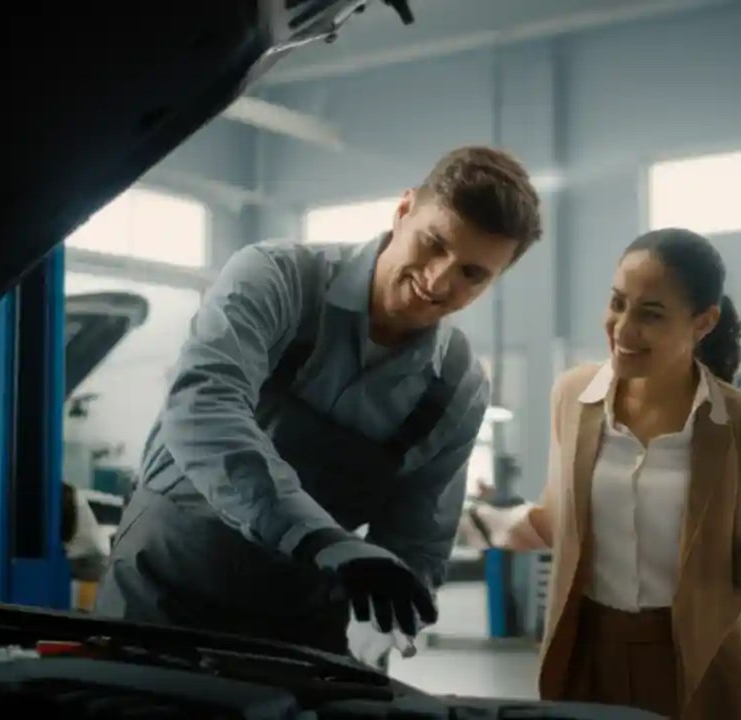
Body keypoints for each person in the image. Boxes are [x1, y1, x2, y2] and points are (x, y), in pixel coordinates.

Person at [94, 146, 543, 662]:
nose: (440, 280)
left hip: (298, 620)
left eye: (472, 274)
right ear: (403, 210)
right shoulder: (277, 278)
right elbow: (203, 409)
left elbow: (418, 543)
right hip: (162, 583)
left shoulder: (459, 388)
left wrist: (387, 626)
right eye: (434, 243)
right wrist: (320, 538)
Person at [472, 228, 741, 719]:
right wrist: (472, 521)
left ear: (703, 322)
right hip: (588, 653)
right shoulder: (573, 396)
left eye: (650, 314)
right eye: (617, 303)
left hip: (699, 656)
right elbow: (556, 519)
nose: (623, 329)